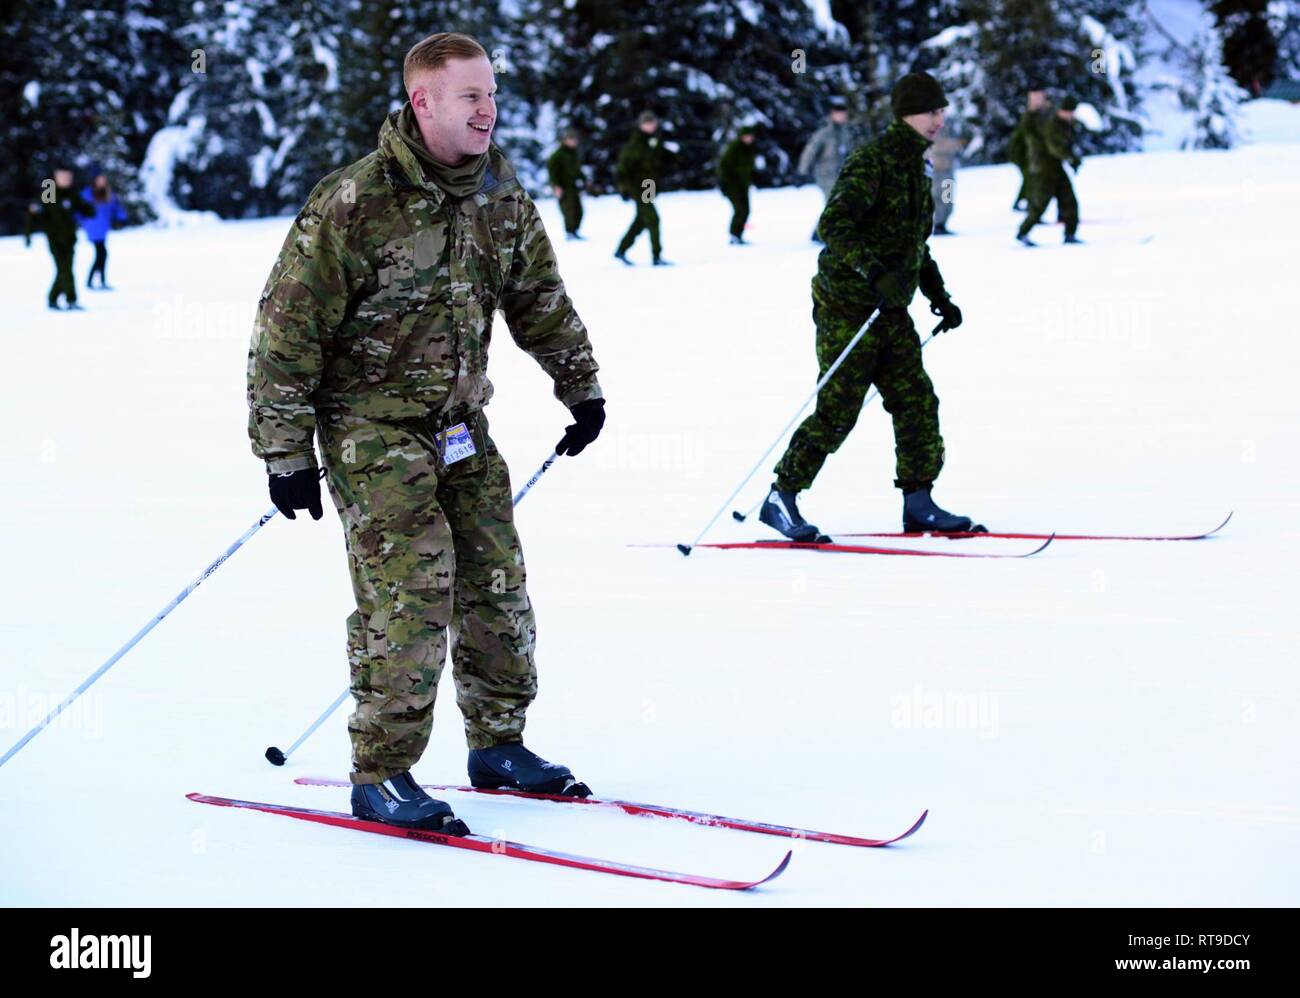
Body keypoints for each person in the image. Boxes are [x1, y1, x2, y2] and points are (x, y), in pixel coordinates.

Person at [246, 32, 606, 834]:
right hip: (370, 426)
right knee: (413, 591)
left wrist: (580, 390)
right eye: (471, 96)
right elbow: (285, 334)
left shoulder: (499, 193)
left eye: (492, 94)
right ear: (424, 103)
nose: (489, 110)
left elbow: (539, 298)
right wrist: (284, 451)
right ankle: (381, 772)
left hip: (458, 425)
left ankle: (499, 744)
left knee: (495, 581)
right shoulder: (355, 201)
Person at [760, 72, 975, 541]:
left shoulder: (919, 168)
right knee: (838, 409)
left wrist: (939, 297)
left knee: (916, 400)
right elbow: (833, 224)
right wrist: (873, 272)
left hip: (891, 308)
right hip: (847, 306)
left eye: (941, 111)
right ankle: (783, 494)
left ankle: (919, 502)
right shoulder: (872, 161)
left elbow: (917, 246)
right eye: (929, 111)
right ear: (905, 114)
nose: (939, 119)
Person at [1017, 96, 1081, 246]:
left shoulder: (1063, 122)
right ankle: (1022, 232)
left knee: (1069, 200)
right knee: (1040, 204)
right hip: (1043, 170)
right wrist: (1072, 159)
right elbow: (1055, 148)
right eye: (1068, 112)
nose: (1070, 115)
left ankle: (1070, 234)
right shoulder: (1052, 124)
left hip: (1055, 168)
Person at [24, 167, 92, 310]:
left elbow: (88, 212)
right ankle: (71, 300)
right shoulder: (50, 191)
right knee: (65, 270)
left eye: (68, 177)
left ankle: (53, 298)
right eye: (63, 177)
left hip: (70, 239)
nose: (66, 179)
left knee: (65, 270)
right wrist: (28, 235)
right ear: (56, 176)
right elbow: (36, 215)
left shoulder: (73, 194)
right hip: (54, 239)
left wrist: (88, 206)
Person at [614, 110, 672, 265]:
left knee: (641, 220)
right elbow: (622, 169)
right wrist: (624, 189)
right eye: (647, 123)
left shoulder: (653, 141)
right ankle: (657, 256)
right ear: (641, 125)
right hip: (638, 187)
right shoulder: (635, 144)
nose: (651, 126)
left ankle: (621, 250)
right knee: (653, 219)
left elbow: (662, 157)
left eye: (652, 123)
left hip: (649, 185)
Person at [797, 96, 853, 241]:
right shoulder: (824, 133)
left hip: (840, 174)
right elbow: (810, 151)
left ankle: (818, 233)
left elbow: (851, 152)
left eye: (844, 114)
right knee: (833, 203)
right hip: (825, 175)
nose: (842, 116)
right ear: (832, 114)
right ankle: (825, 234)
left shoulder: (846, 132)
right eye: (838, 113)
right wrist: (802, 172)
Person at [79, 173, 129, 289]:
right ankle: (95, 281)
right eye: (99, 179)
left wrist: (123, 218)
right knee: (101, 255)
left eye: (103, 179)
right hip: (93, 228)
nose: (102, 181)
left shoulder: (108, 194)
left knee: (102, 255)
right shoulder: (88, 194)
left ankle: (97, 281)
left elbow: (115, 208)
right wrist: (82, 222)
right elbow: (79, 210)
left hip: (103, 229)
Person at [1008, 88, 1047, 211]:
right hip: (1022, 155)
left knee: (1029, 179)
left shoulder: (1038, 115)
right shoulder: (1029, 116)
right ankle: (1030, 207)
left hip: (1027, 155)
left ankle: (1020, 203)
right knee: (1031, 179)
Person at [718, 125, 757, 245]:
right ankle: (734, 235)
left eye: (751, 136)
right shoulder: (734, 148)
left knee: (746, 210)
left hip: (743, 186)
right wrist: (724, 184)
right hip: (732, 186)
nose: (749, 138)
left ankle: (738, 235)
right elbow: (723, 167)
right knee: (739, 210)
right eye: (747, 136)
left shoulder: (749, 149)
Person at [546, 127, 585, 240]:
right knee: (568, 211)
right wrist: (556, 186)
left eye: (575, 139)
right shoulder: (557, 155)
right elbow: (552, 172)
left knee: (579, 211)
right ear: (565, 140)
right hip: (563, 187)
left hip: (573, 187)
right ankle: (569, 233)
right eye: (571, 139)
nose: (574, 141)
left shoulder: (573, 154)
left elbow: (576, 170)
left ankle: (575, 231)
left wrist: (584, 179)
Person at [929, 131, 964, 235]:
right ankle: (938, 225)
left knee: (948, 200)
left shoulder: (947, 132)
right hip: (939, 173)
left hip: (947, 172)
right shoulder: (934, 135)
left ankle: (942, 224)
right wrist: (955, 144)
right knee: (941, 199)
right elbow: (938, 146)